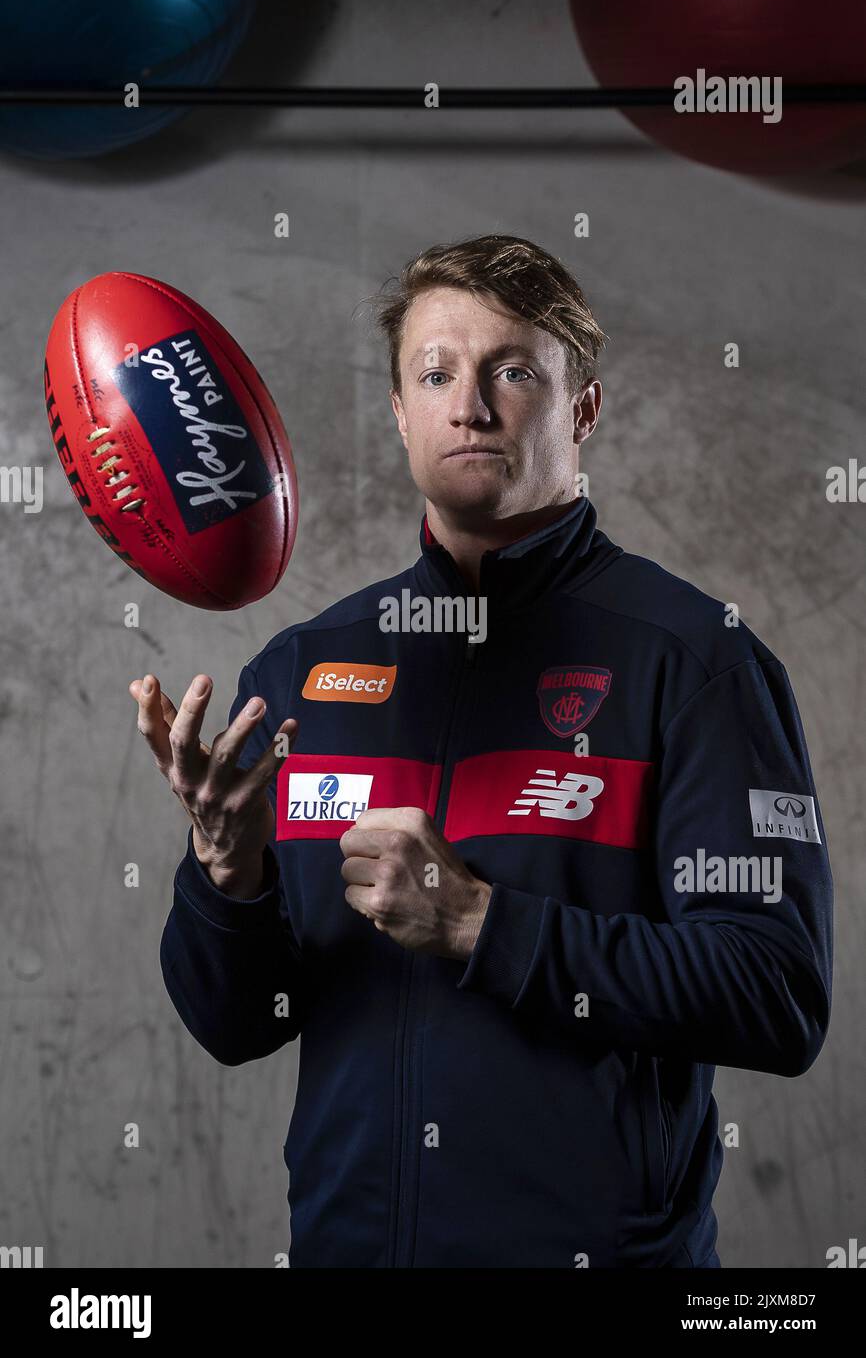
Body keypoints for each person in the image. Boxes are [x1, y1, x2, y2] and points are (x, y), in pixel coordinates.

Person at [131, 234, 833, 1269]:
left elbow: (775, 993)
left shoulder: (693, 661)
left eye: (511, 371)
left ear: (581, 408)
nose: (470, 404)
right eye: (434, 373)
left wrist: (481, 923)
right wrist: (225, 876)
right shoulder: (304, 671)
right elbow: (233, 1023)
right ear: (398, 413)